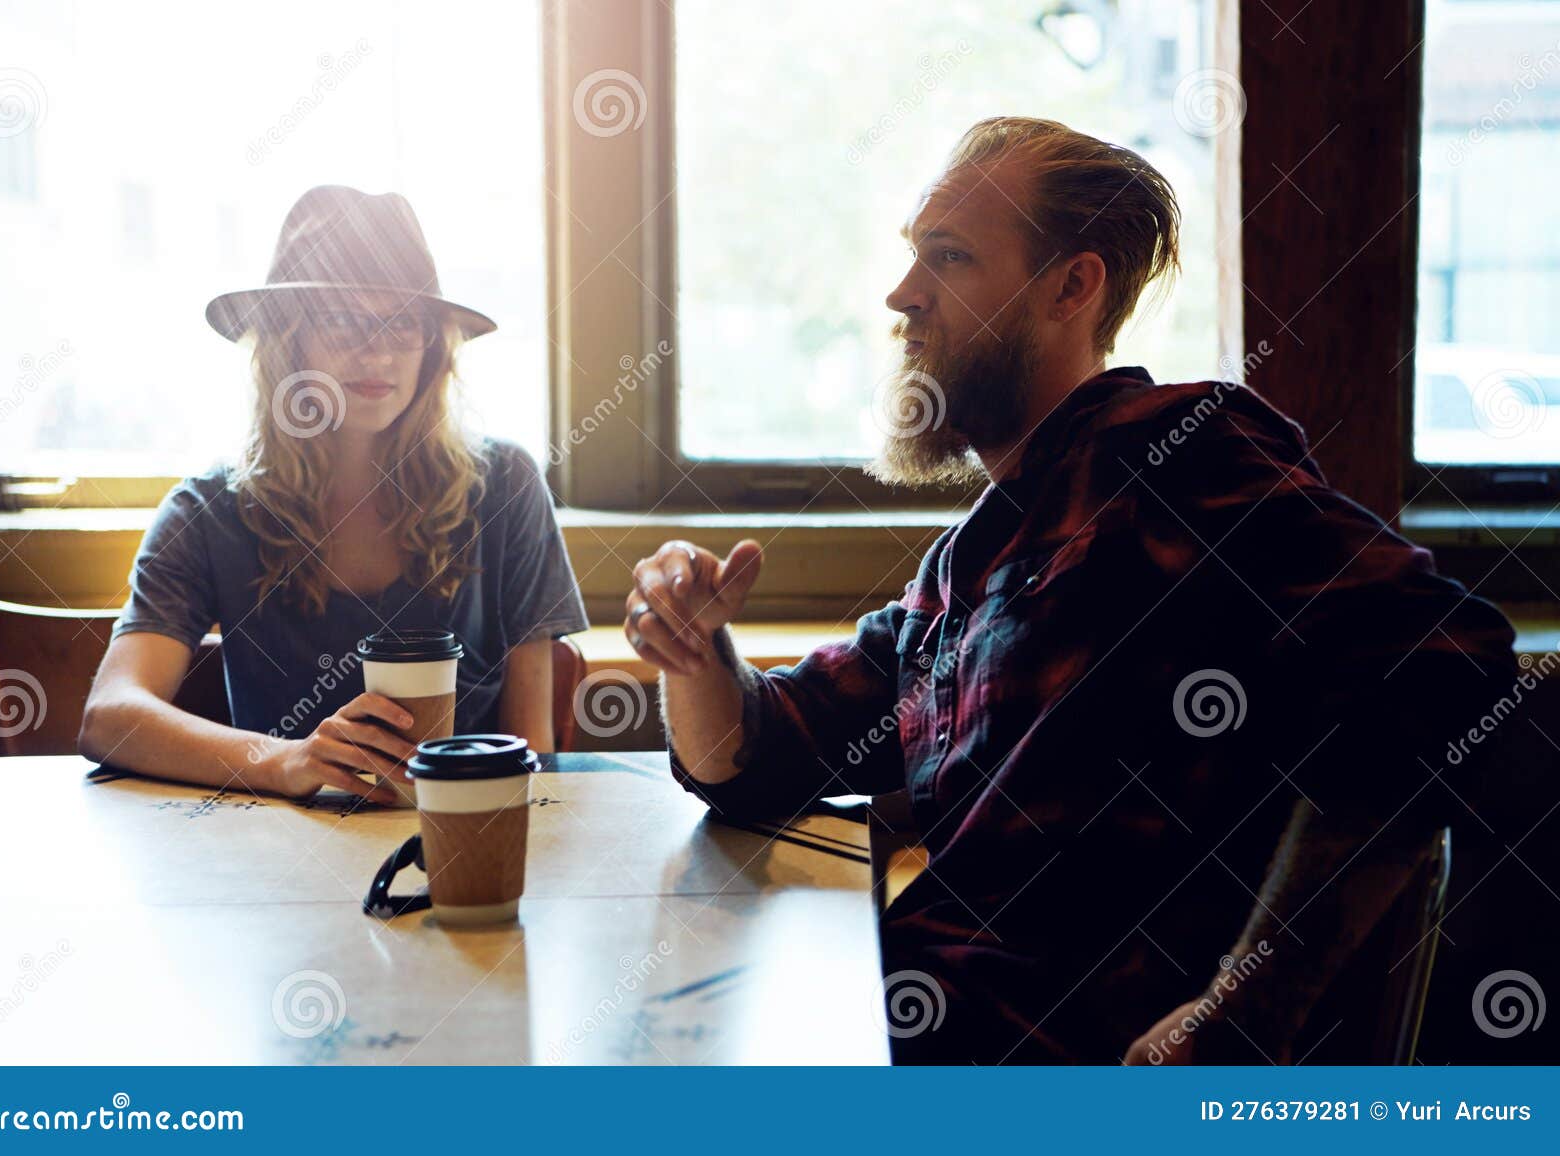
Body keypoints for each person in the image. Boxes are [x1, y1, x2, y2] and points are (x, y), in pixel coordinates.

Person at [623, 118, 1520, 1063]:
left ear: (1071, 286)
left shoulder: (1177, 452)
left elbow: (1448, 660)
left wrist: (1247, 1007)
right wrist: (693, 646)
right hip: (903, 1025)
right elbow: (755, 758)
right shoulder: (959, 569)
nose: (902, 295)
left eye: (950, 257)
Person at [81, 186, 587, 806]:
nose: (376, 350)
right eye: (341, 319)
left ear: (433, 346)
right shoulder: (211, 510)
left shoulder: (505, 485)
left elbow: (528, 746)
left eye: (402, 320)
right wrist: (284, 760)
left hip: (461, 842)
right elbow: (110, 713)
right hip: (279, 853)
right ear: (287, 341)